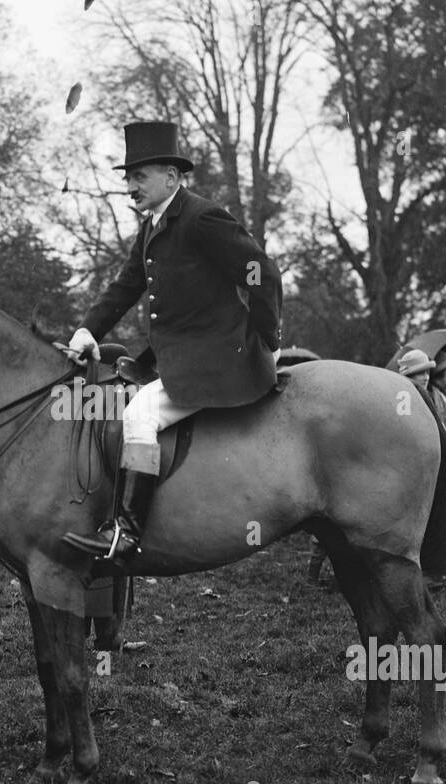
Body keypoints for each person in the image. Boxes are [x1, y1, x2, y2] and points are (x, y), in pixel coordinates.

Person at [63, 121, 282, 562]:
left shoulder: (203, 217)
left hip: (221, 358)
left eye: (138, 176)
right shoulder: (151, 228)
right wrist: (88, 329)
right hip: (180, 357)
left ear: (171, 176)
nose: (130, 186)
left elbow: (262, 273)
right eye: (127, 177)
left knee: (139, 413)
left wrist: (269, 342)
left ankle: (127, 532)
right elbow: (125, 287)